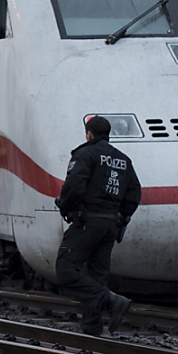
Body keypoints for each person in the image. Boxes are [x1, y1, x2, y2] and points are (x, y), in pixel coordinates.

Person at [54, 116, 141, 336]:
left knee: (65, 269)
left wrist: (65, 206)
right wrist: (121, 217)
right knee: (97, 277)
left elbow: (74, 186)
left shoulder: (85, 154)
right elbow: (134, 193)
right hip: (110, 225)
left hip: (87, 222)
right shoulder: (123, 160)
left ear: (88, 133)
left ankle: (111, 300)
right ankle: (92, 328)